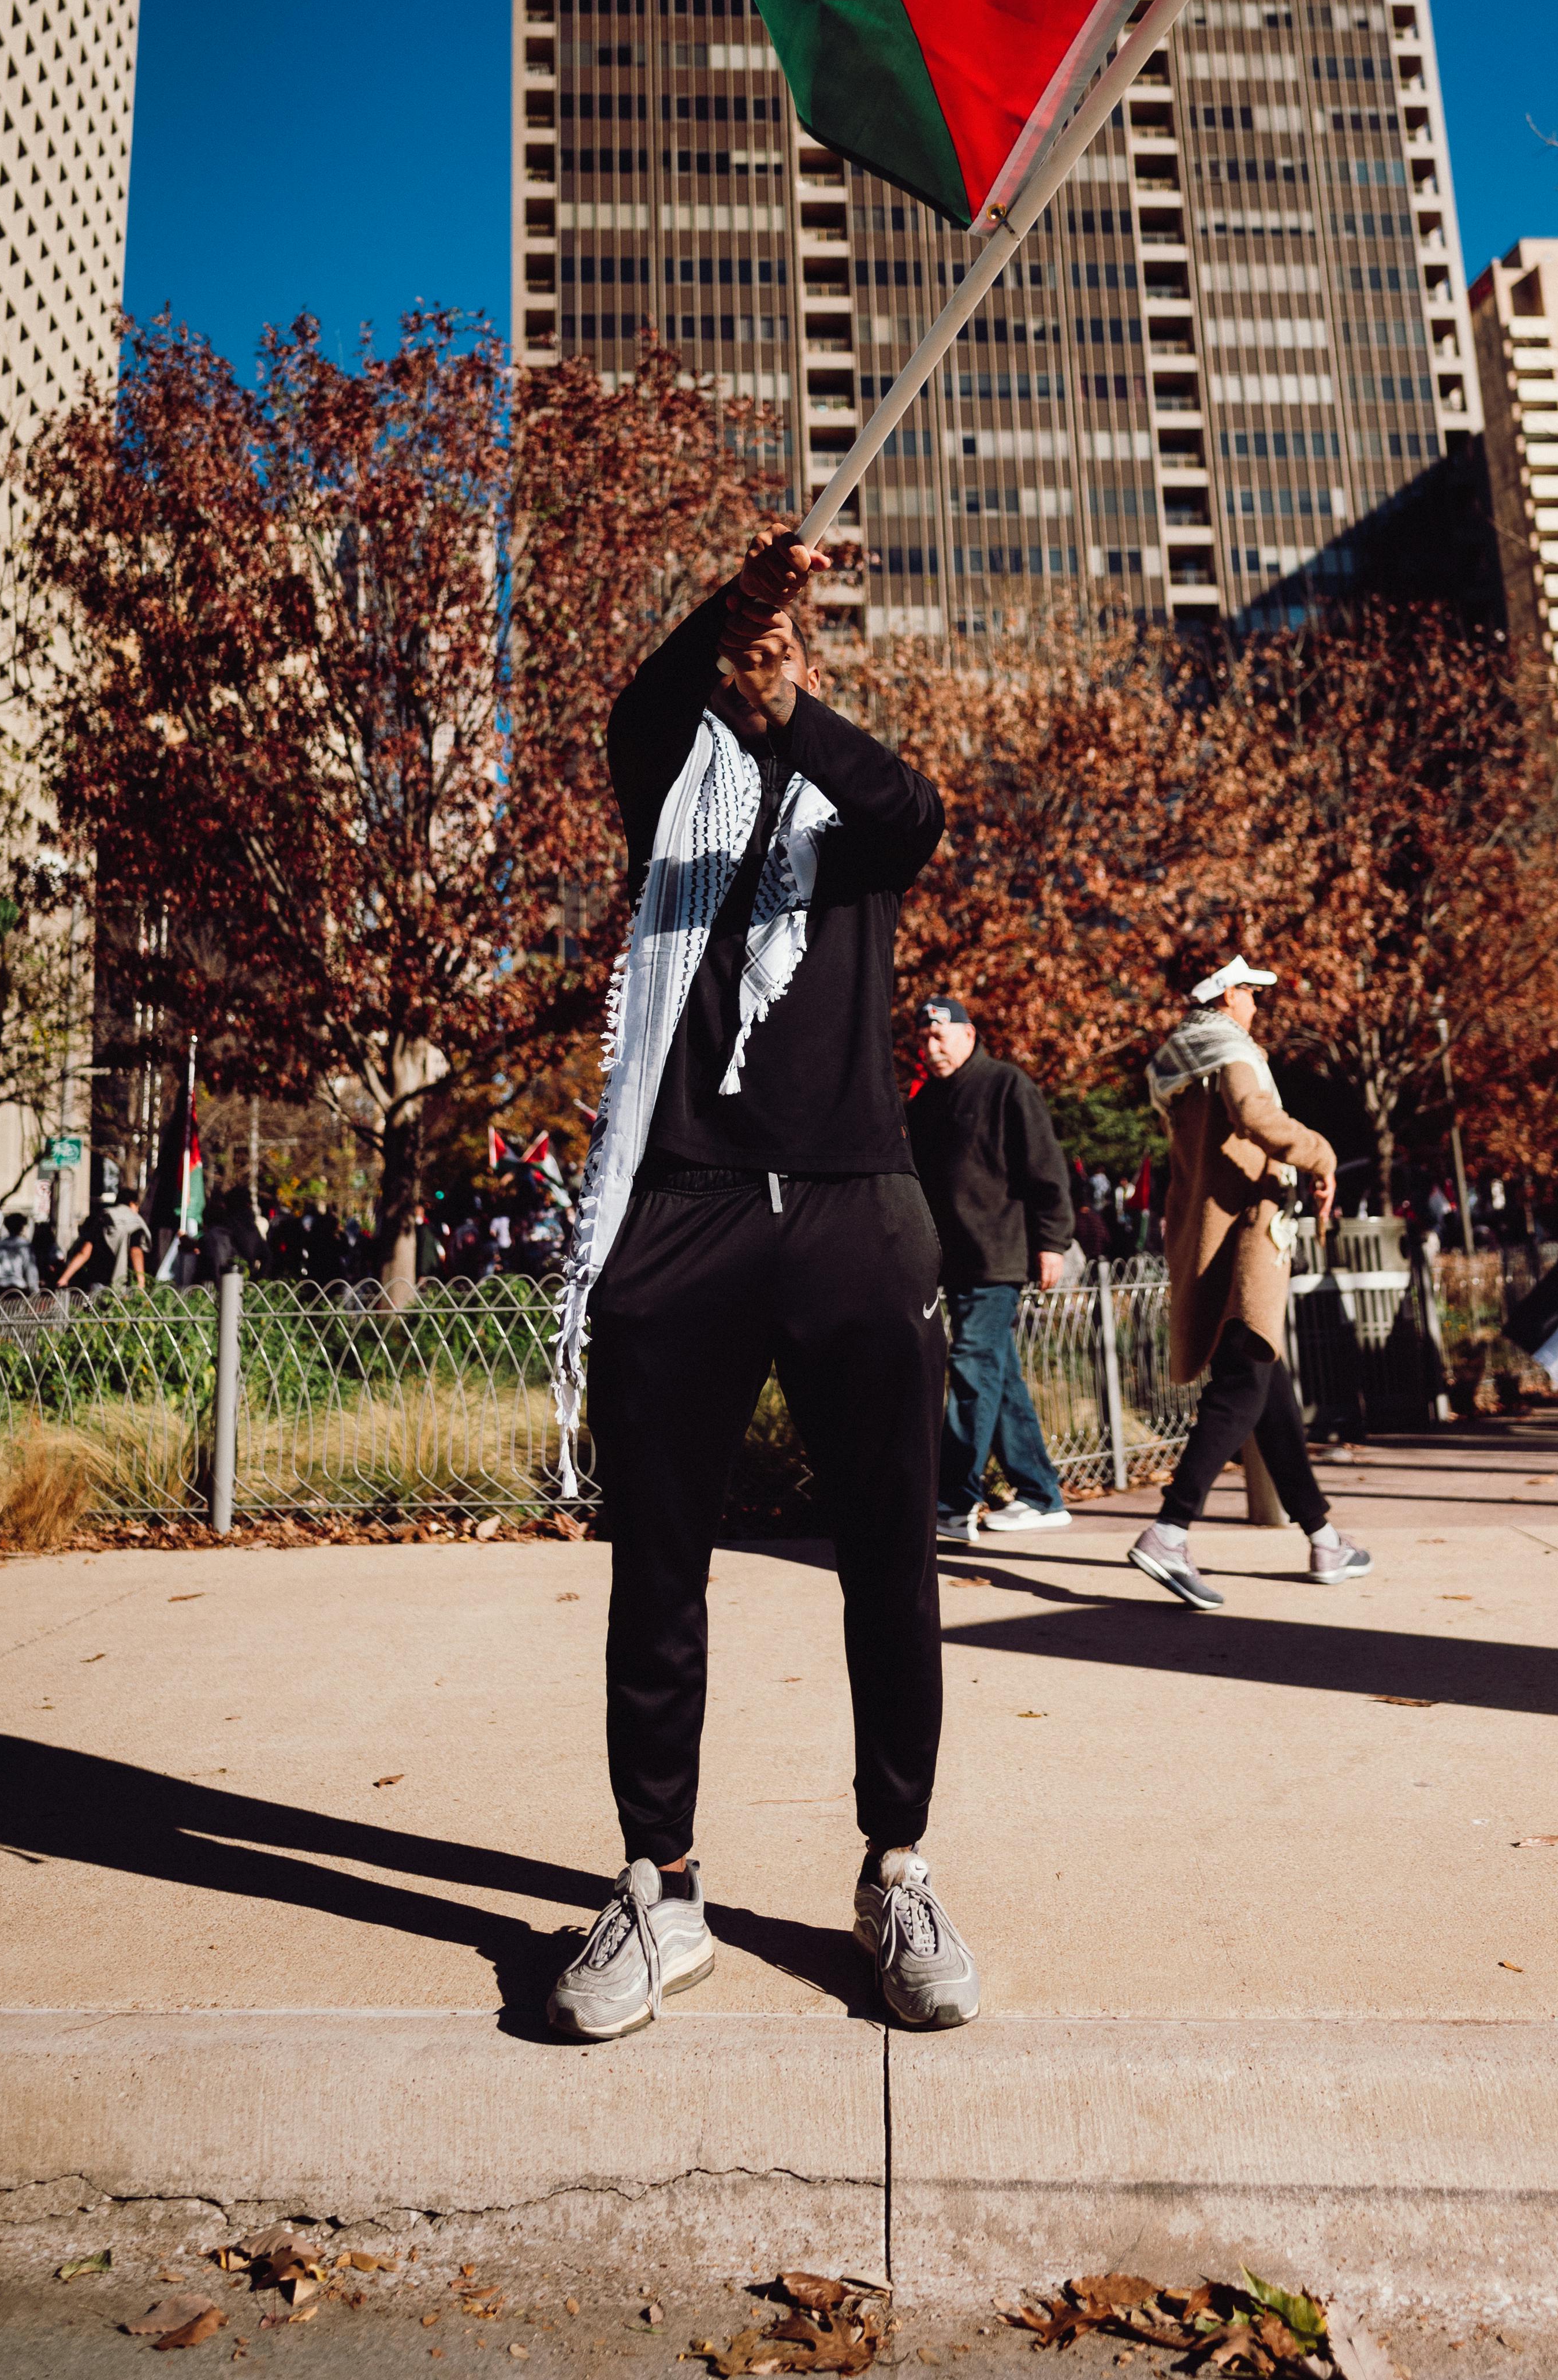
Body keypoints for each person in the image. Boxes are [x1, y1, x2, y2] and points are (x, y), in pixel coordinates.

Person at [546, 525, 976, 2042]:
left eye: (778, 669)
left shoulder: (849, 816)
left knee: (889, 1561)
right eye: (746, 672)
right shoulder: (666, 796)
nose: (755, 689)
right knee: (658, 1570)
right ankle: (659, 1886)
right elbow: (642, 710)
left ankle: (895, 1865)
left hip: (857, 1209)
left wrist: (792, 704)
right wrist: (729, 606)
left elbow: (913, 811)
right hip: (682, 1211)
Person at [1127, 951, 1369, 1610]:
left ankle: (1323, 1539)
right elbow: (1255, 1118)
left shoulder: (1182, 1059)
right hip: (1248, 1239)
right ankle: (1169, 1531)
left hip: (1209, 1235)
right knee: (1241, 1384)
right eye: (1251, 993)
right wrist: (1320, 1155)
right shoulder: (1229, 1051)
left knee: (1268, 1392)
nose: (1257, 1004)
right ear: (1228, 994)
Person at [906, 995, 1078, 1540]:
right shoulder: (926, 1101)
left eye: (940, 1036)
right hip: (955, 1262)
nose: (931, 1047)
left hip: (999, 1256)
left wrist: (1052, 1242)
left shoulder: (1006, 1085)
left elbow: (1045, 1169)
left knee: (972, 1369)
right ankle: (1041, 1495)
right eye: (924, 1039)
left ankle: (955, 1503)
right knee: (998, 1379)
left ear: (969, 1034)